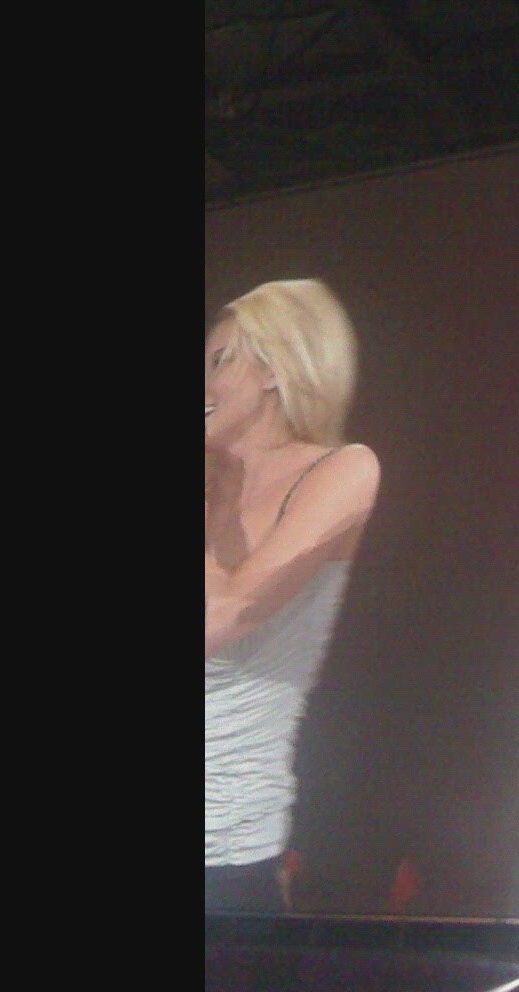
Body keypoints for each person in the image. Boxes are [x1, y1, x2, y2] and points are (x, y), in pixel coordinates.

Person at [205, 279, 381, 913]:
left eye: (219, 362)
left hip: (220, 853)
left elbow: (223, 616)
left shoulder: (340, 470)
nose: (205, 382)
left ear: (276, 369)